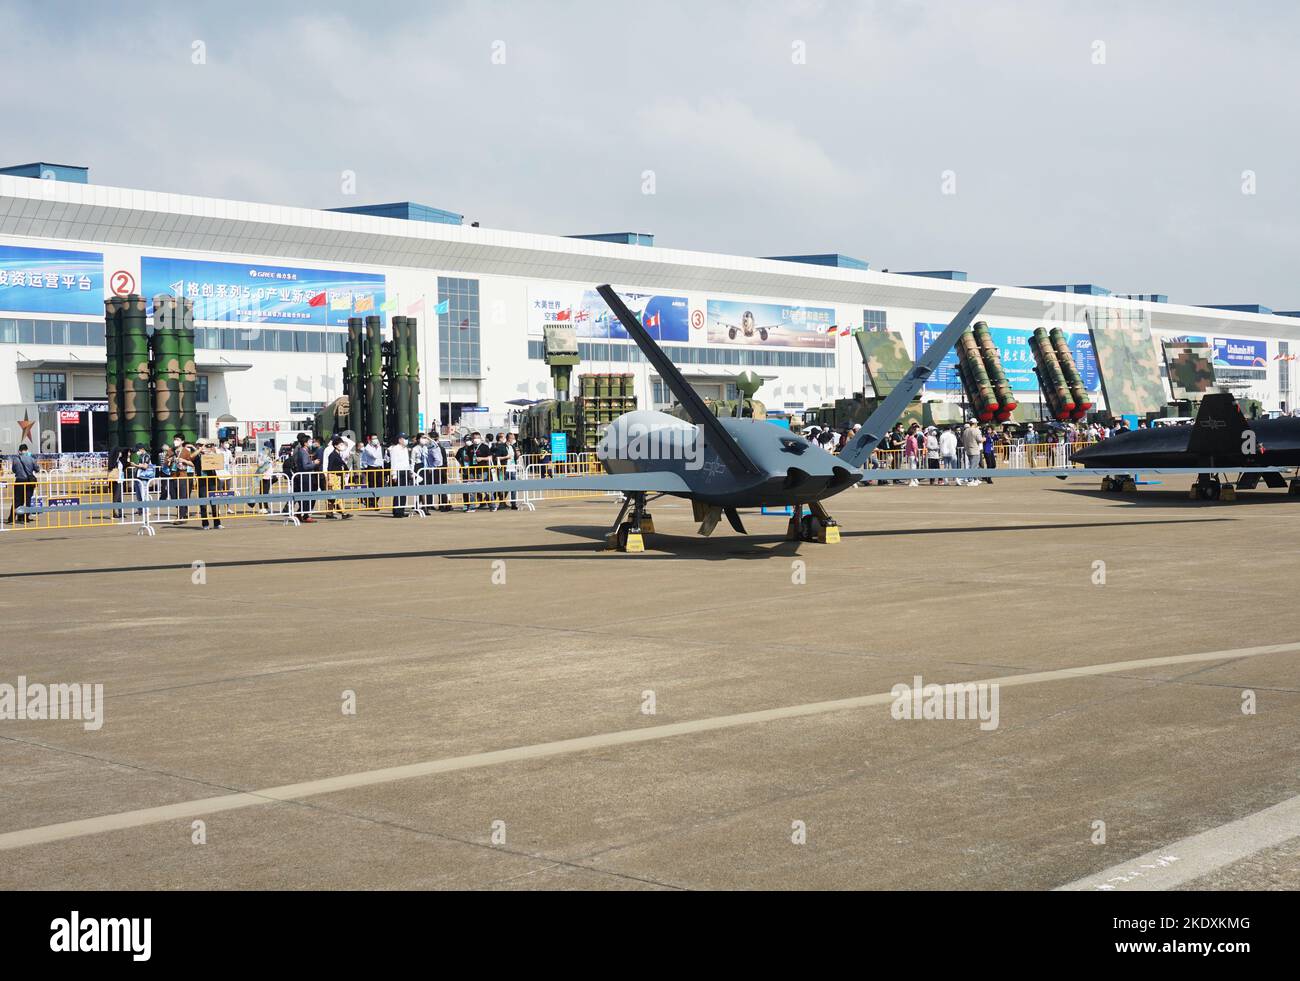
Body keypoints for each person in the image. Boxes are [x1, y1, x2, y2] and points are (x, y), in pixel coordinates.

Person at [193, 438, 224, 530]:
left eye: (205, 445)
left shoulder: (211, 454)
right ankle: (205, 523)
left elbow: (219, 462)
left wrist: (212, 452)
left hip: (212, 480)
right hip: (202, 480)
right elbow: (191, 457)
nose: (204, 447)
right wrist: (199, 450)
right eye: (202, 445)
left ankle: (217, 522)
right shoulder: (196, 456)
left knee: (214, 501)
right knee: (203, 502)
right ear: (198, 445)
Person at [7, 443, 40, 524]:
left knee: (17, 500)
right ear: (27, 450)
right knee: (27, 500)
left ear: (19, 451)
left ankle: (12, 518)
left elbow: (14, 470)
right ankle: (25, 517)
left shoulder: (16, 459)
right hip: (29, 482)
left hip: (19, 481)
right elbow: (37, 469)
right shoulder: (32, 459)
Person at [324, 434, 354, 519]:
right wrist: (329, 478)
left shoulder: (338, 454)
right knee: (337, 495)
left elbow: (343, 464)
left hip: (338, 476)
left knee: (332, 496)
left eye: (342, 444)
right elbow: (329, 467)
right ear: (335, 446)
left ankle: (329, 513)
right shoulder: (332, 455)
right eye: (340, 444)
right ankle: (343, 513)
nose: (342, 446)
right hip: (334, 477)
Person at [291, 433, 318, 523]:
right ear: (305, 443)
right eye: (310, 441)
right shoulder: (302, 452)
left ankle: (300, 513)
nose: (311, 443)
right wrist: (314, 463)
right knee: (308, 496)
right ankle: (305, 515)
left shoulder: (304, 451)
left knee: (308, 495)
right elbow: (305, 466)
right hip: (305, 477)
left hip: (306, 476)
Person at [389, 433, 413, 517]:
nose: (406, 440)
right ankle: (397, 511)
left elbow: (407, 461)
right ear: (399, 440)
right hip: (398, 472)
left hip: (405, 471)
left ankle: (401, 510)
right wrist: (394, 474)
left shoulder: (405, 449)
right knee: (398, 492)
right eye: (404, 438)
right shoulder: (395, 449)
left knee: (404, 492)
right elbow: (394, 462)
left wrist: (410, 471)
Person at [360, 434, 385, 509]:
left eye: (376, 438)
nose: (376, 440)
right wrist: (378, 448)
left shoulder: (379, 447)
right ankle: (371, 502)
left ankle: (374, 501)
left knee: (380, 486)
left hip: (380, 468)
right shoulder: (367, 448)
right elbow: (374, 456)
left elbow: (381, 457)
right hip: (372, 468)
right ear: (370, 440)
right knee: (372, 485)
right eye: (373, 439)